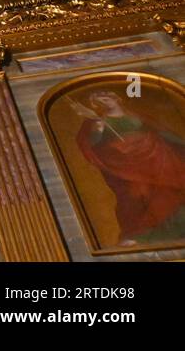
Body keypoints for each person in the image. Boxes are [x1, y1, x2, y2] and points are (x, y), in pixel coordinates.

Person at [73, 90, 185, 246]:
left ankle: (176, 230)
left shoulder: (136, 115)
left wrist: (180, 143)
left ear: (116, 99)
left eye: (106, 98)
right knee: (136, 193)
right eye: (99, 102)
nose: (104, 102)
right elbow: (89, 144)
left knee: (169, 189)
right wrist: (98, 129)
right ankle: (138, 234)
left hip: (156, 156)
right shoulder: (96, 122)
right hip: (123, 164)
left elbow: (160, 131)